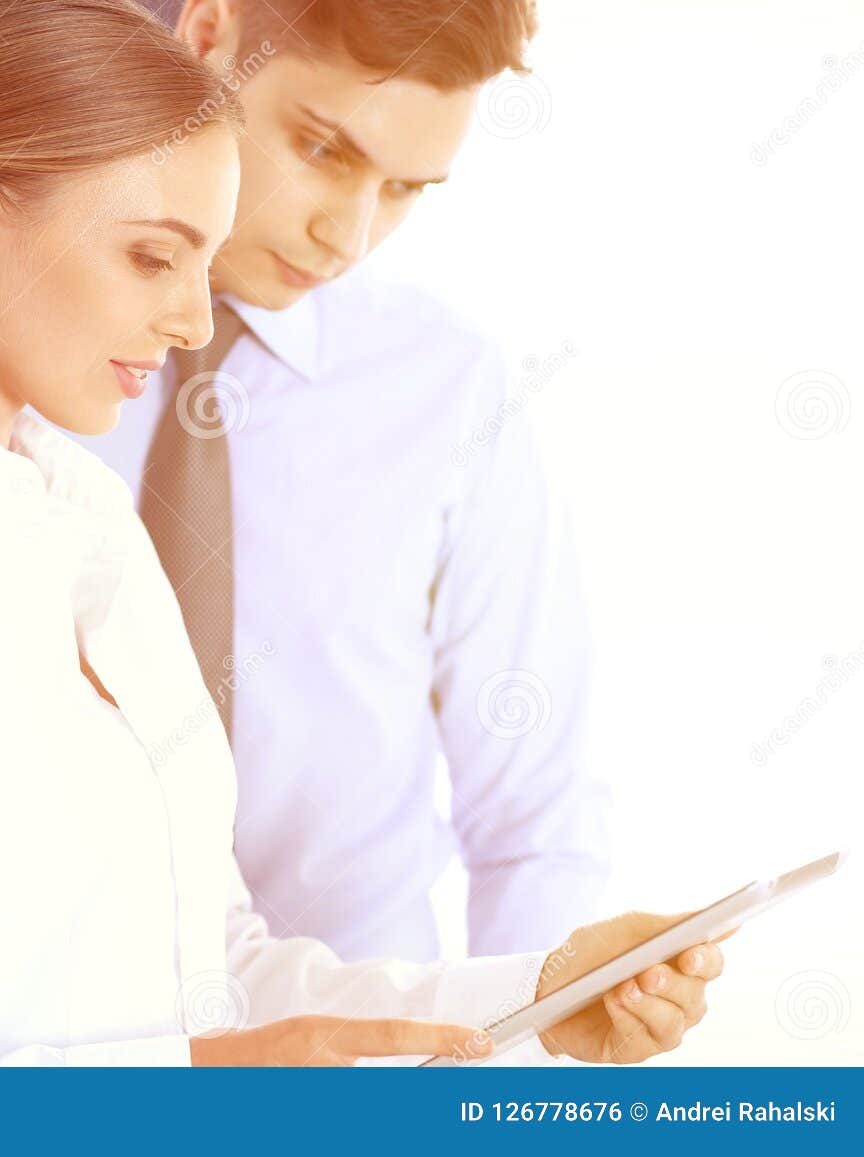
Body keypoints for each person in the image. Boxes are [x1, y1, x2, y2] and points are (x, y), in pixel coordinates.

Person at [0, 0, 723, 1067]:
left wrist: (531, 998)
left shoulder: (87, 524)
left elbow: (211, 975)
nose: (196, 320)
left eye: (202, 263)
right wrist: (184, 1088)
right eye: (154, 257)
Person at [73, 0, 607, 961]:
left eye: (406, 189)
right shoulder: (15, 349)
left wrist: (495, 1090)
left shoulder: (448, 392)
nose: (349, 235)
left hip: (362, 1063)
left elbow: (537, 819)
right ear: (209, 40)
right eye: (324, 150)